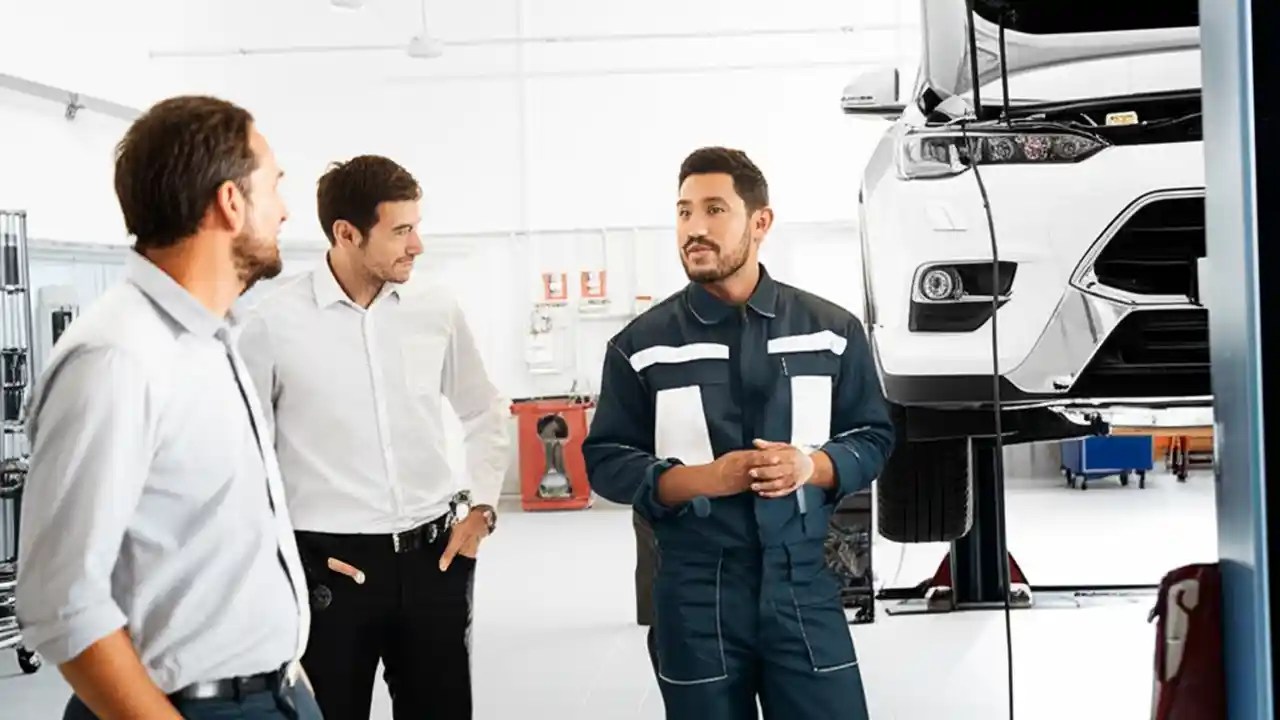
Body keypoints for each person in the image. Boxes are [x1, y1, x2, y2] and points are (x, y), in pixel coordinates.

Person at [14, 95, 320, 720]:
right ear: (231, 203)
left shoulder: (214, 340)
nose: (286, 210)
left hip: (272, 692)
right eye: (276, 187)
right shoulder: (118, 357)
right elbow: (59, 601)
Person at [583, 146, 895, 719]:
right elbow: (605, 459)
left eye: (713, 210)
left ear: (760, 221)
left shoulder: (830, 333)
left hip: (802, 585)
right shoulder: (641, 347)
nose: (694, 229)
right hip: (696, 595)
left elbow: (873, 437)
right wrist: (701, 479)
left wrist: (811, 466)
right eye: (683, 213)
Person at [237, 154, 510, 720]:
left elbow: (483, 408)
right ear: (346, 233)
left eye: (417, 227)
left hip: (436, 558)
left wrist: (481, 509)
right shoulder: (271, 324)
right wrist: (291, 564)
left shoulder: (435, 308)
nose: (418, 245)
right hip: (331, 573)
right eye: (402, 230)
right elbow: (244, 459)